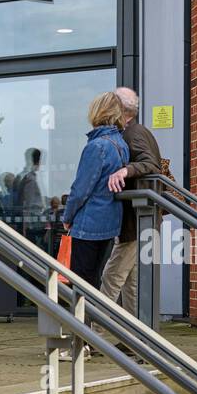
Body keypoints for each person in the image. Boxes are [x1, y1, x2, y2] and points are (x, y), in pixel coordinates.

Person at [102, 87, 163, 318]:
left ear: (119, 109)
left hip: (136, 223)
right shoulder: (132, 132)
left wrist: (125, 171)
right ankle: (136, 339)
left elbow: (151, 164)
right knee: (132, 283)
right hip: (138, 222)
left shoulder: (133, 133)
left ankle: (89, 338)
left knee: (112, 277)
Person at [62, 93, 130, 293]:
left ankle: (82, 323)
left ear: (97, 112)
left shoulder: (96, 146)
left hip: (88, 223)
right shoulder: (121, 145)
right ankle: (91, 323)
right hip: (109, 221)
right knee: (94, 280)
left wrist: (68, 216)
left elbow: (81, 189)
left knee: (81, 283)